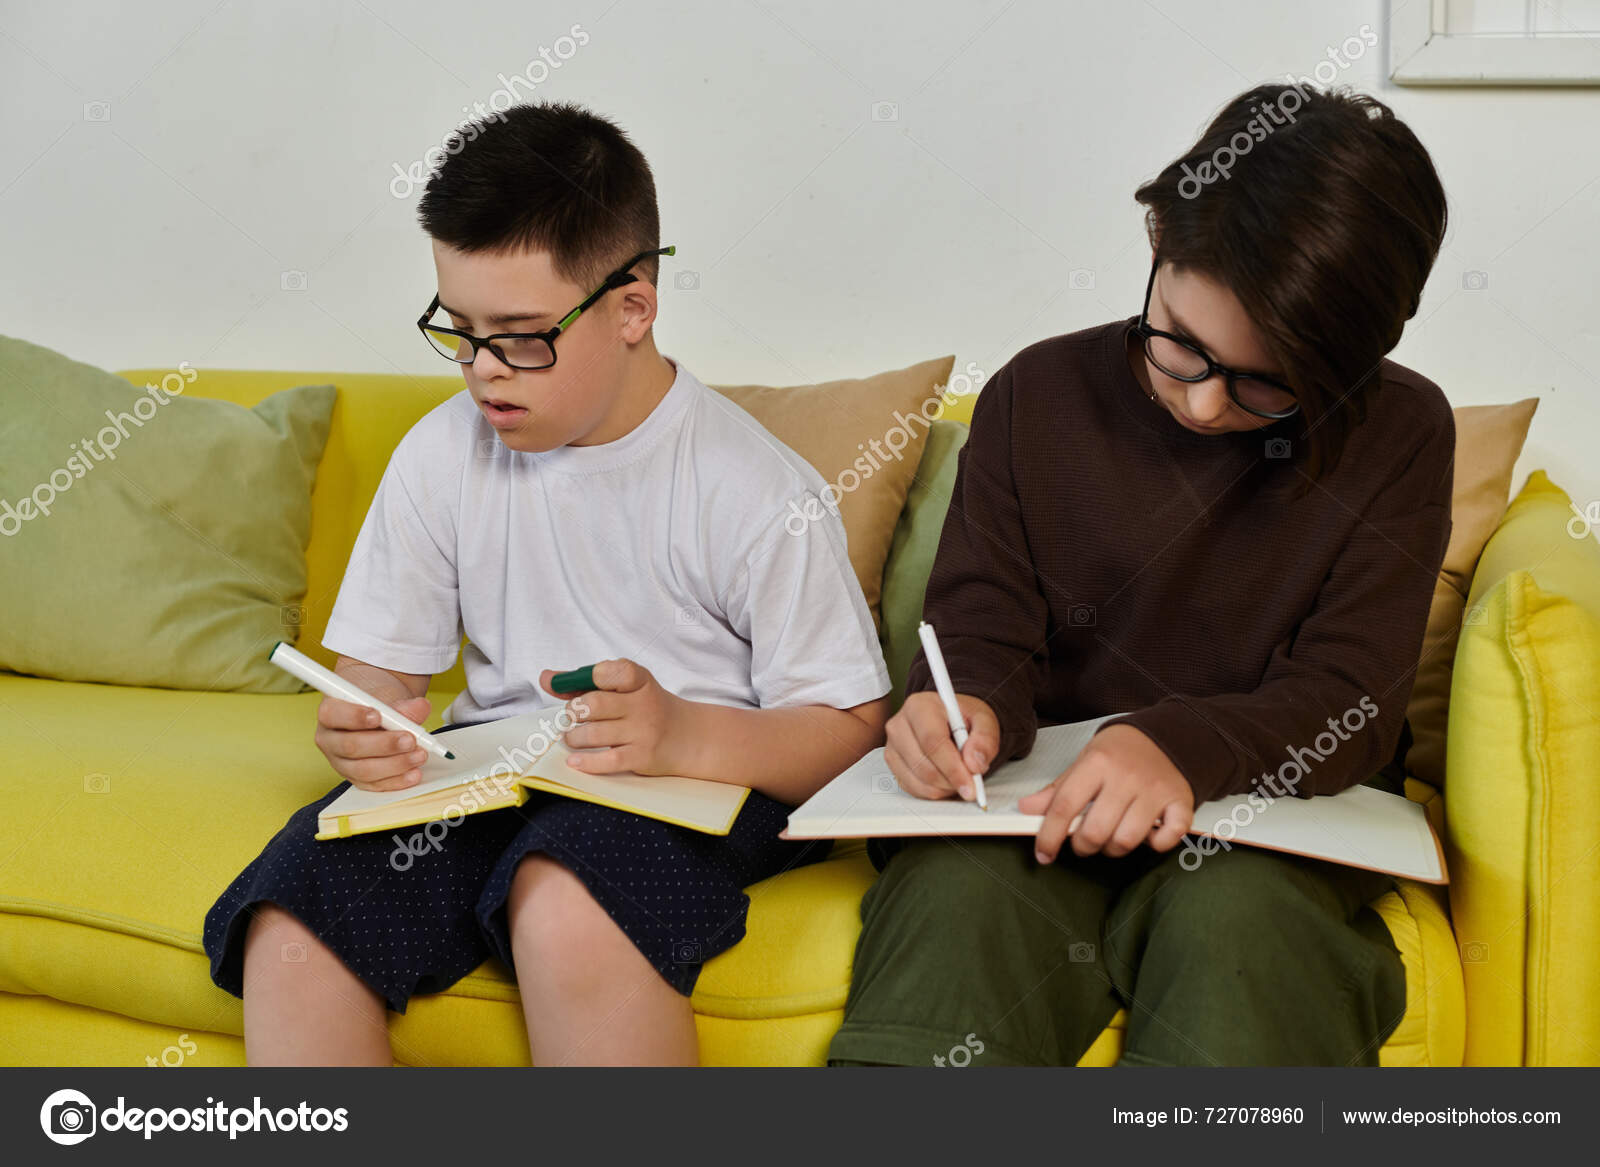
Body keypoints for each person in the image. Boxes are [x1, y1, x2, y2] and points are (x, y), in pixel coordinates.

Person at [203, 102, 890, 1066]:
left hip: (702, 786)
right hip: (494, 774)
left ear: (633, 306)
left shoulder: (754, 486)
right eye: (462, 330)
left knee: (569, 901)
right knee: (293, 923)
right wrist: (364, 721)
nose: (485, 373)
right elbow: (377, 678)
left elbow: (850, 736)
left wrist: (682, 732)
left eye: (523, 335)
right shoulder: (441, 452)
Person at [828, 84, 1453, 1067]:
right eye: (1180, 346)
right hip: (1036, 821)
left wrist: (1174, 745)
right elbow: (984, 619)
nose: (1204, 408)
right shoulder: (1034, 395)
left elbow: (1351, 702)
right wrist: (964, 710)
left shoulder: (1400, 431)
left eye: (1266, 383)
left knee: (1239, 930)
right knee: (953, 907)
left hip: (1269, 829)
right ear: (1157, 235)